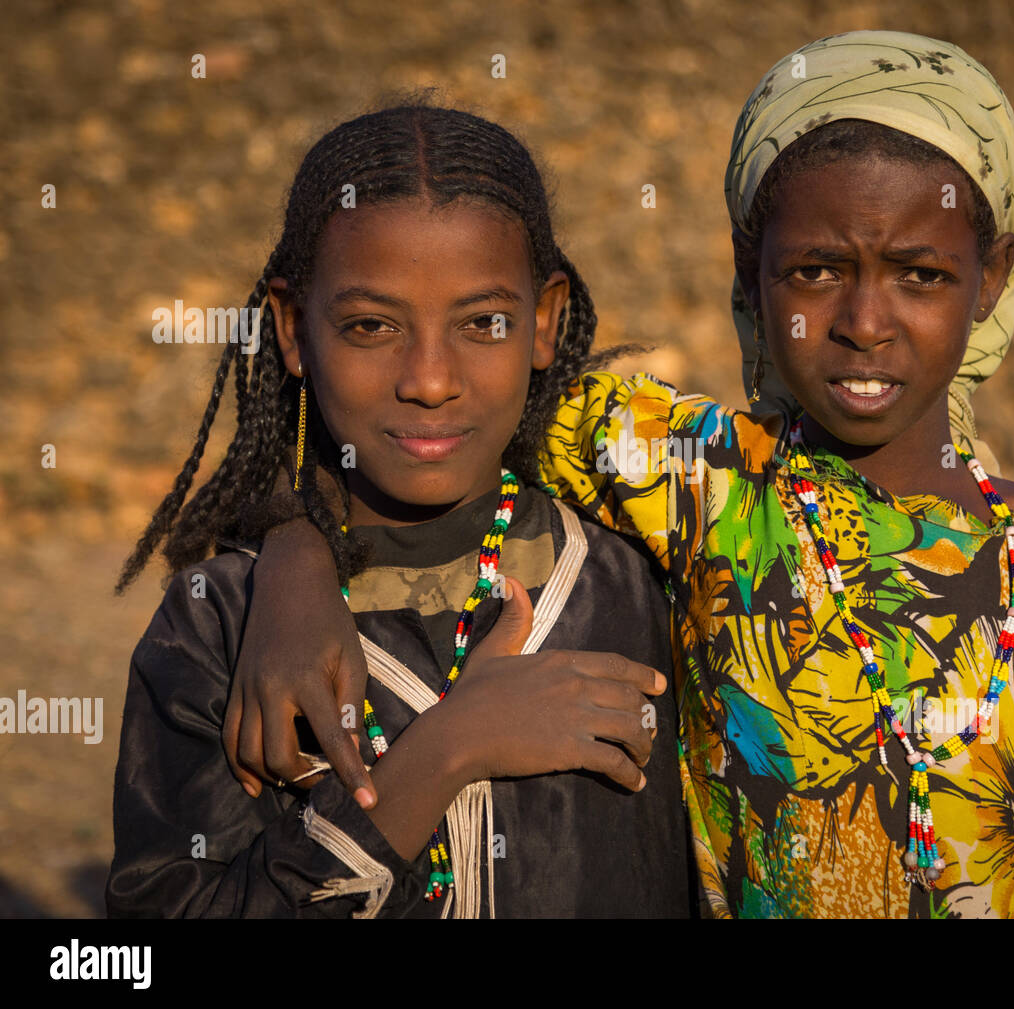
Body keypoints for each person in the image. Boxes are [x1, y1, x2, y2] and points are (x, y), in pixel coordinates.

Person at [228, 31, 1014, 918]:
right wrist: (296, 561)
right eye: (817, 270)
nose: (866, 321)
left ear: (990, 276)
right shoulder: (696, 477)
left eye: (920, 274)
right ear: (750, 277)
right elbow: (433, 413)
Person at [107, 99, 696, 918]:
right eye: (371, 325)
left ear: (545, 322)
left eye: (483, 322)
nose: (428, 378)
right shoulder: (216, 630)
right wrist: (447, 750)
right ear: (290, 328)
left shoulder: (637, 590)